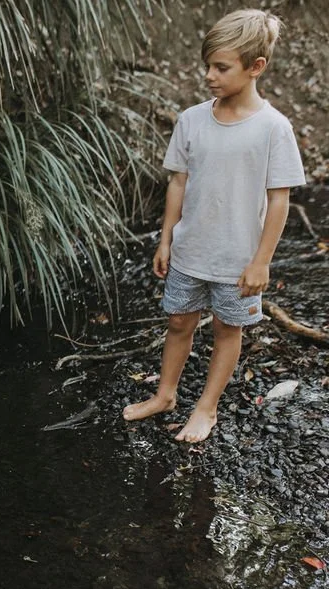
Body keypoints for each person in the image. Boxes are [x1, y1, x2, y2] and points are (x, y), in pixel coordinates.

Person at [122, 8, 306, 443]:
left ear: (255, 67)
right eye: (207, 65)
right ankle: (165, 395)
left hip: (237, 259)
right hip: (190, 251)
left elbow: (279, 199)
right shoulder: (192, 120)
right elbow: (178, 182)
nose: (209, 75)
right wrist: (166, 239)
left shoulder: (273, 129)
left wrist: (262, 262)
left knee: (227, 330)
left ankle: (206, 408)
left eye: (221, 67)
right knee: (179, 323)